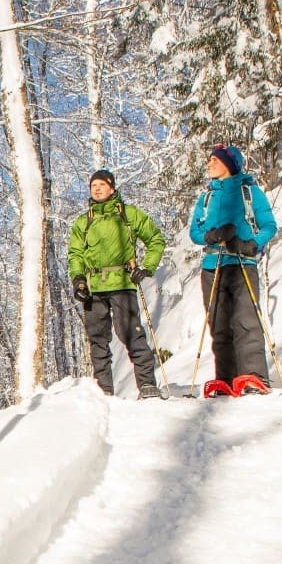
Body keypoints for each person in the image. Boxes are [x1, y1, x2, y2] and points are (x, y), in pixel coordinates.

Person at [187, 143, 278, 397]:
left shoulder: (250, 192)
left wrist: (251, 245)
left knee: (246, 320)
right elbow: (194, 232)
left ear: (229, 163)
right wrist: (211, 235)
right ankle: (226, 380)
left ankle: (254, 376)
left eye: (214, 160)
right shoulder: (206, 197)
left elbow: (269, 225)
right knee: (218, 324)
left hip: (241, 263)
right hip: (212, 266)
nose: (209, 164)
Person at [68, 168, 166, 399]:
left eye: (102, 185)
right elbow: (75, 254)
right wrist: (79, 279)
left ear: (112, 188)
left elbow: (155, 239)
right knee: (97, 341)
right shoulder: (84, 221)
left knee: (132, 334)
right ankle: (104, 392)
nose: (98, 189)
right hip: (94, 288)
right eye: (94, 186)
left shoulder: (128, 214)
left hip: (123, 283)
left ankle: (147, 385)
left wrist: (147, 268)